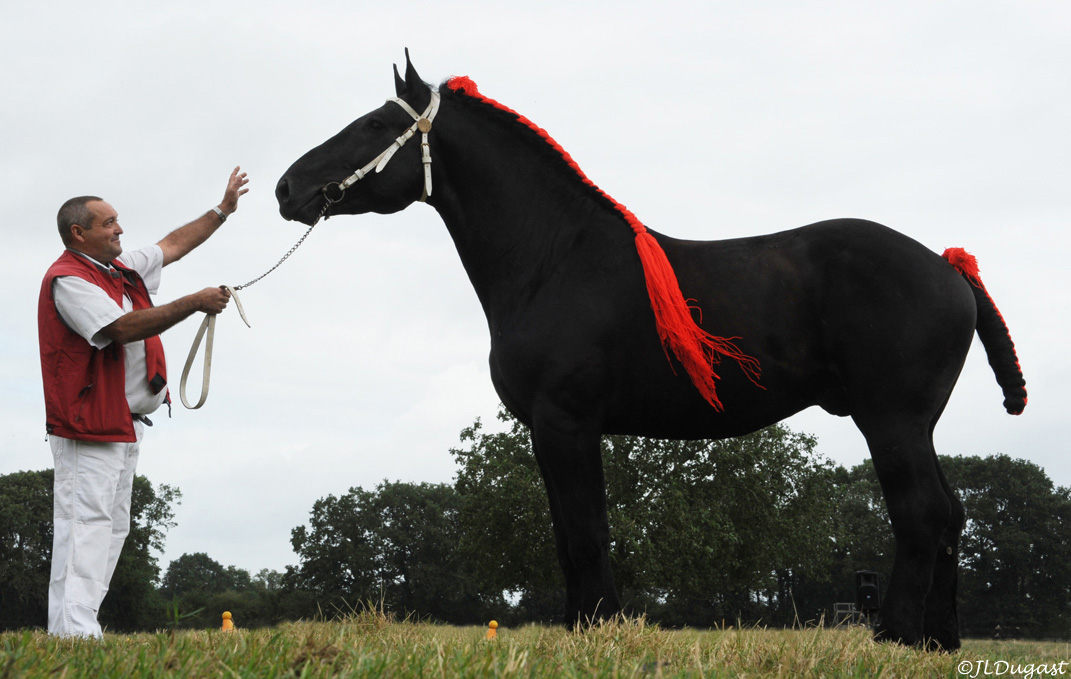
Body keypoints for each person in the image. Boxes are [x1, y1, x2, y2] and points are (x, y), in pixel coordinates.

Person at [37, 166, 249, 638]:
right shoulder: (68, 279)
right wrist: (193, 302)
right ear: (79, 233)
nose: (120, 229)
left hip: (123, 422)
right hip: (88, 424)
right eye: (109, 223)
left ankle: (77, 627)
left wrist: (222, 211)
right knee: (85, 526)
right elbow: (119, 329)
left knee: (110, 529)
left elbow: (172, 245)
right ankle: (72, 635)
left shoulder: (118, 268)